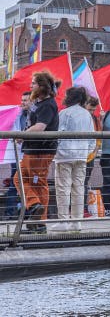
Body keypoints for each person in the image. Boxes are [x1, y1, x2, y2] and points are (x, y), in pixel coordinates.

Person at [15, 71, 60, 233]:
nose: (30, 85)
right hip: (34, 150)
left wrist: (22, 135)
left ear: (41, 87)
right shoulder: (40, 102)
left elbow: (40, 127)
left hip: (39, 151)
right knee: (27, 180)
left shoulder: (48, 104)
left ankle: (36, 213)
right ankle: (37, 217)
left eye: (33, 83)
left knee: (32, 181)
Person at [52, 86, 95, 231]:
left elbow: (58, 134)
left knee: (63, 188)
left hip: (64, 156)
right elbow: (92, 138)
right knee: (78, 188)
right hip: (81, 155)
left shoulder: (64, 113)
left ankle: (63, 221)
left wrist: (56, 150)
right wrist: (86, 151)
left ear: (70, 97)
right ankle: (76, 221)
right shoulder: (87, 114)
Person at [3, 91, 29, 220]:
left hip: (30, 154)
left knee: (28, 183)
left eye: (25, 100)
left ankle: (28, 212)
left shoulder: (35, 115)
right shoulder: (16, 113)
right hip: (17, 153)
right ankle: (10, 213)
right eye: (22, 100)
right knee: (15, 181)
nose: (22, 103)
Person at [82, 96, 101, 217]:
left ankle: (83, 209)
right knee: (75, 183)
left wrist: (94, 152)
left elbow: (98, 139)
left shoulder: (95, 119)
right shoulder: (81, 118)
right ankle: (73, 209)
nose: (91, 112)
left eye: (93, 110)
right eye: (89, 109)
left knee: (84, 183)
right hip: (78, 156)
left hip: (90, 157)